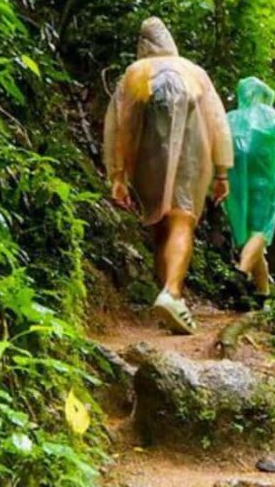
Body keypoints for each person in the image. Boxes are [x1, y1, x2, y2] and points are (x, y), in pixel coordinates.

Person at [104, 17, 233, 334]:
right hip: (190, 157)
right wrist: (222, 172)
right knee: (181, 219)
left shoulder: (135, 74)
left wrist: (118, 174)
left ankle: (168, 296)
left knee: (159, 222)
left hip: (146, 160)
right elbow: (217, 123)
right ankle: (172, 292)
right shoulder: (193, 72)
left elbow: (120, 127)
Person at [225, 77, 275, 296]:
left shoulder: (229, 119)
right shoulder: (273, 117)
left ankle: (262, 294)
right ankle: (240, 273)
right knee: (262, 231)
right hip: (263, 179)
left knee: (249, 235)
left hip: (234, 181)